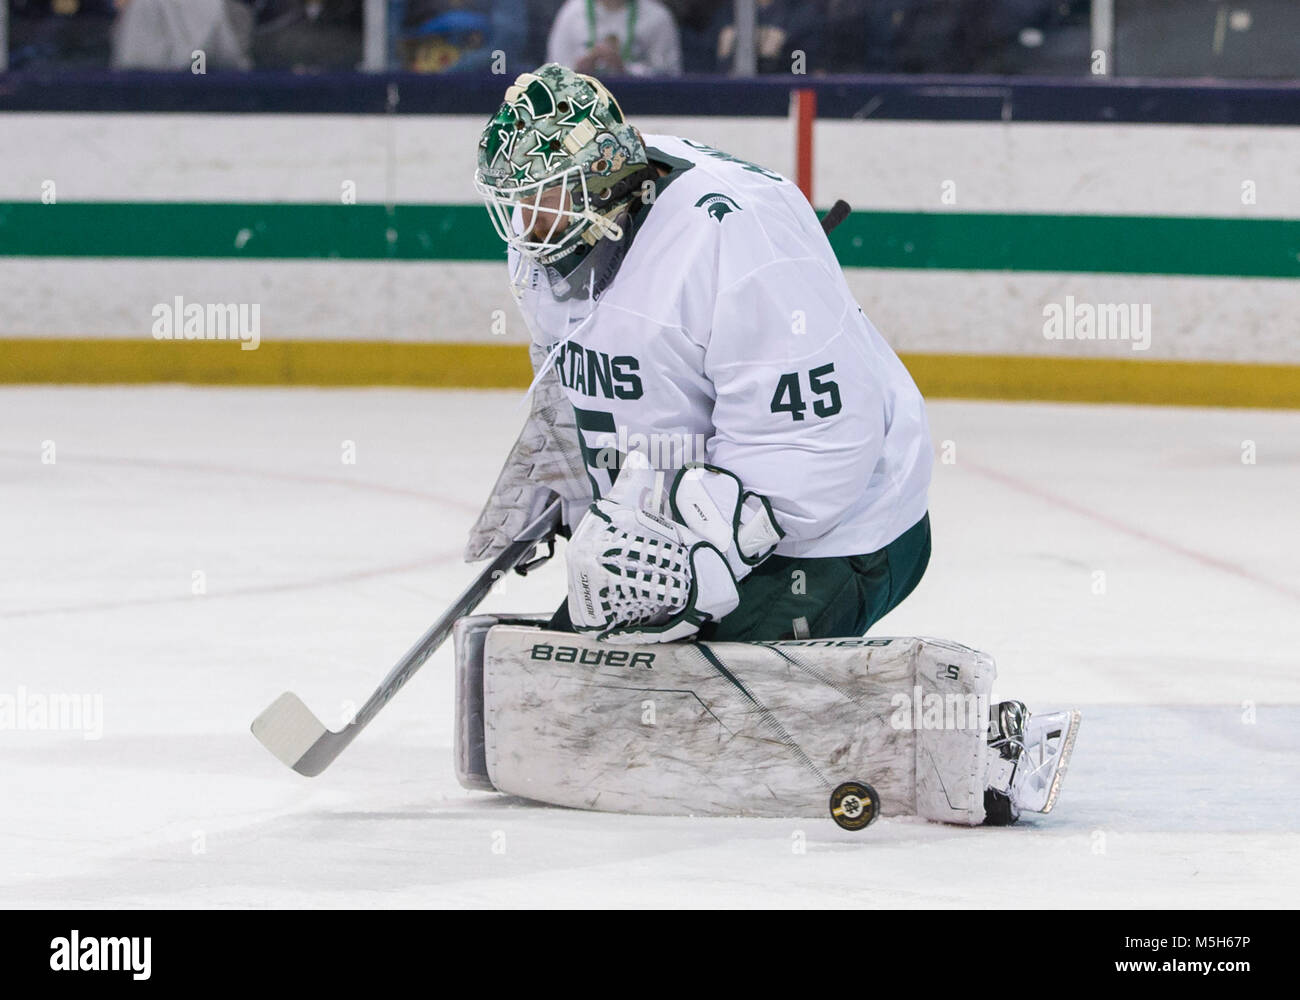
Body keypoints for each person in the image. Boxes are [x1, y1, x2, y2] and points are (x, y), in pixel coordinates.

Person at [466, 62, 933, 646]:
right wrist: (565, 471)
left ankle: (932, 732)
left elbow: (816, 439)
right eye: (518, 199)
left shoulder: (733, 242)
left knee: (704, 715)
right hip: (682, 526)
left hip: (842, 532)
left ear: (601, 181)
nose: (527, 223)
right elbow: (575, 367)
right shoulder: (552, 237)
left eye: (543, 197)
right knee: (573, 680)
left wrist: (707, 549)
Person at [546, 0, 682, 76]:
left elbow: (669, 74)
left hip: (640, 101)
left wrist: (625, 69)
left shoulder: (657, 16)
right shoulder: (571, 12)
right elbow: (551, 70)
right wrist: (577, 68)